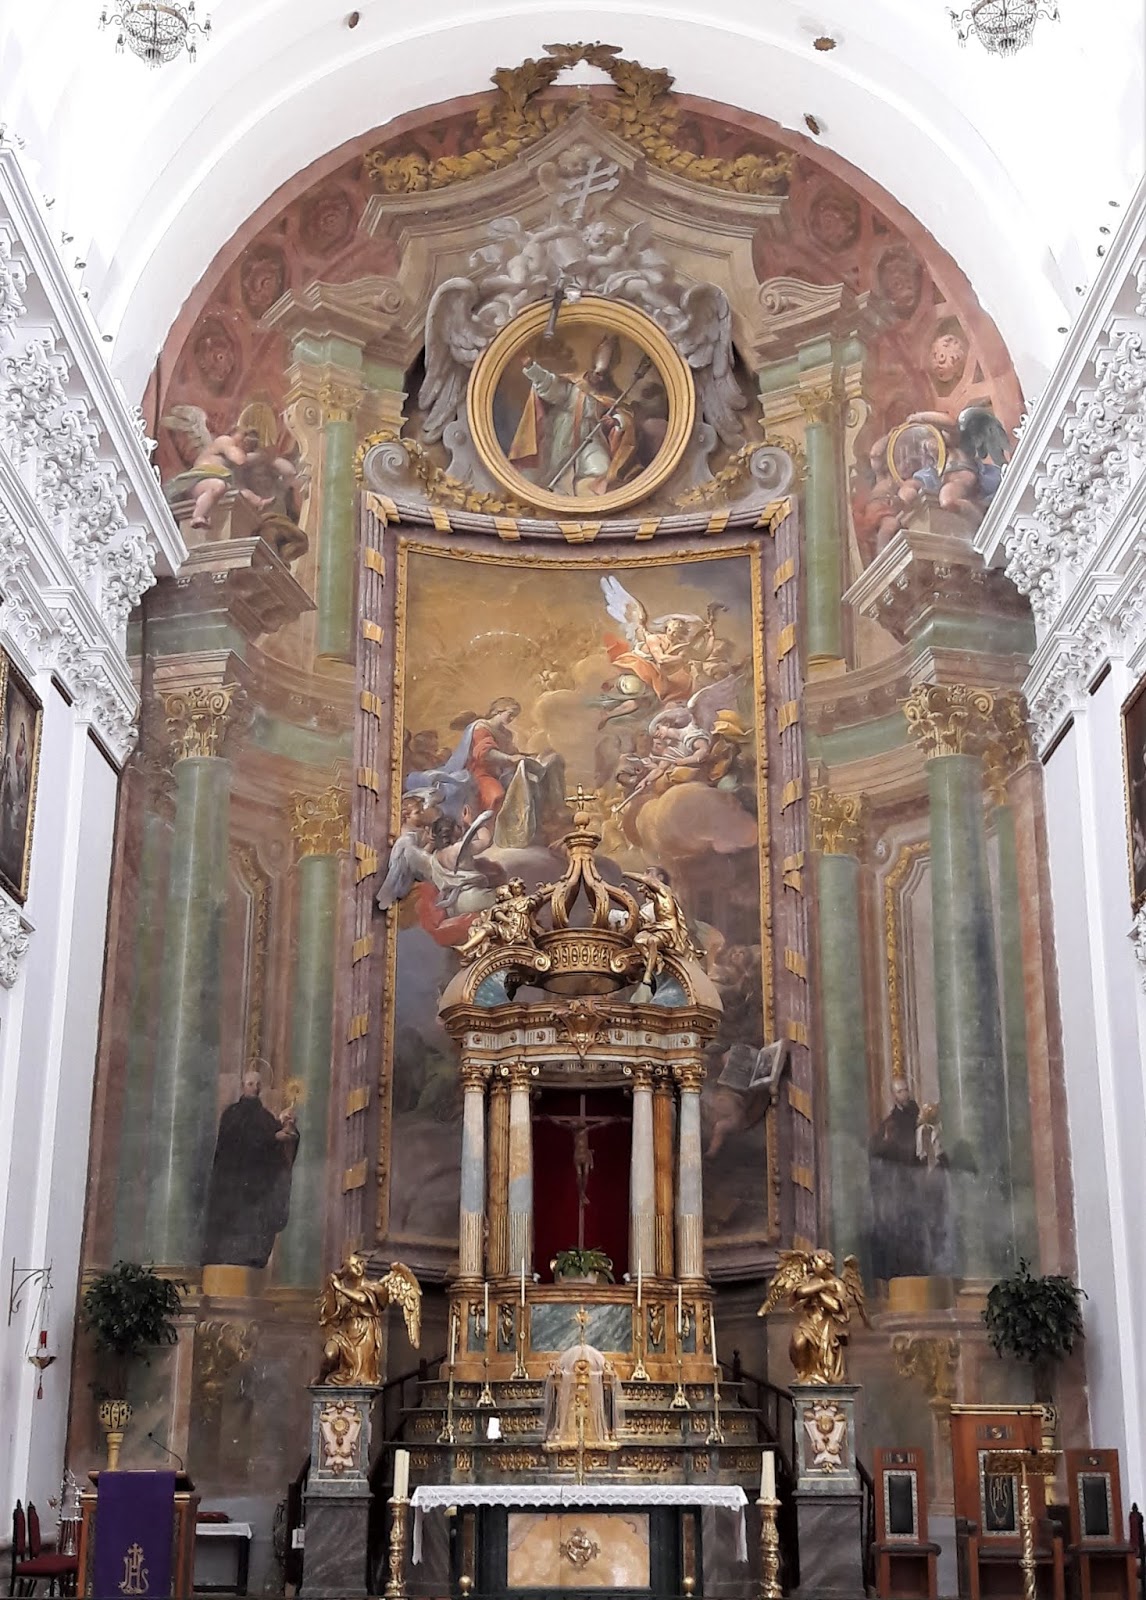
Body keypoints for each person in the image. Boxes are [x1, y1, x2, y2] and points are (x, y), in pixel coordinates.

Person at [508, 335, 638, 497]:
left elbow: (624, 416)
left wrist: (615, 421)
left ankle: (589, 502)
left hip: (593, 434)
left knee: (600, 468)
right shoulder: (574, 384)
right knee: (559, 469)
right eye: (596, 373)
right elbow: (550, 387)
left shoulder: (612, 393)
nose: (598, 378)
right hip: (564, 430)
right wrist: (531, 367)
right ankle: (560, 499)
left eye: (602, 374)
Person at [201, 1067, 299, 1268]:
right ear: (242, 1086)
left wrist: (286, 1126)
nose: (254, 1088)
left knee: (254, 1230)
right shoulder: (232, 1114)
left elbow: (275, 1143)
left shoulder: (265, 1116)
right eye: (250, 1084)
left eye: (257, 1084)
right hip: (233, 1186)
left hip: (257, 1188)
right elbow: (238, 1140)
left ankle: (252, 1256)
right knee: (234, 1233)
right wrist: (273, 1137)